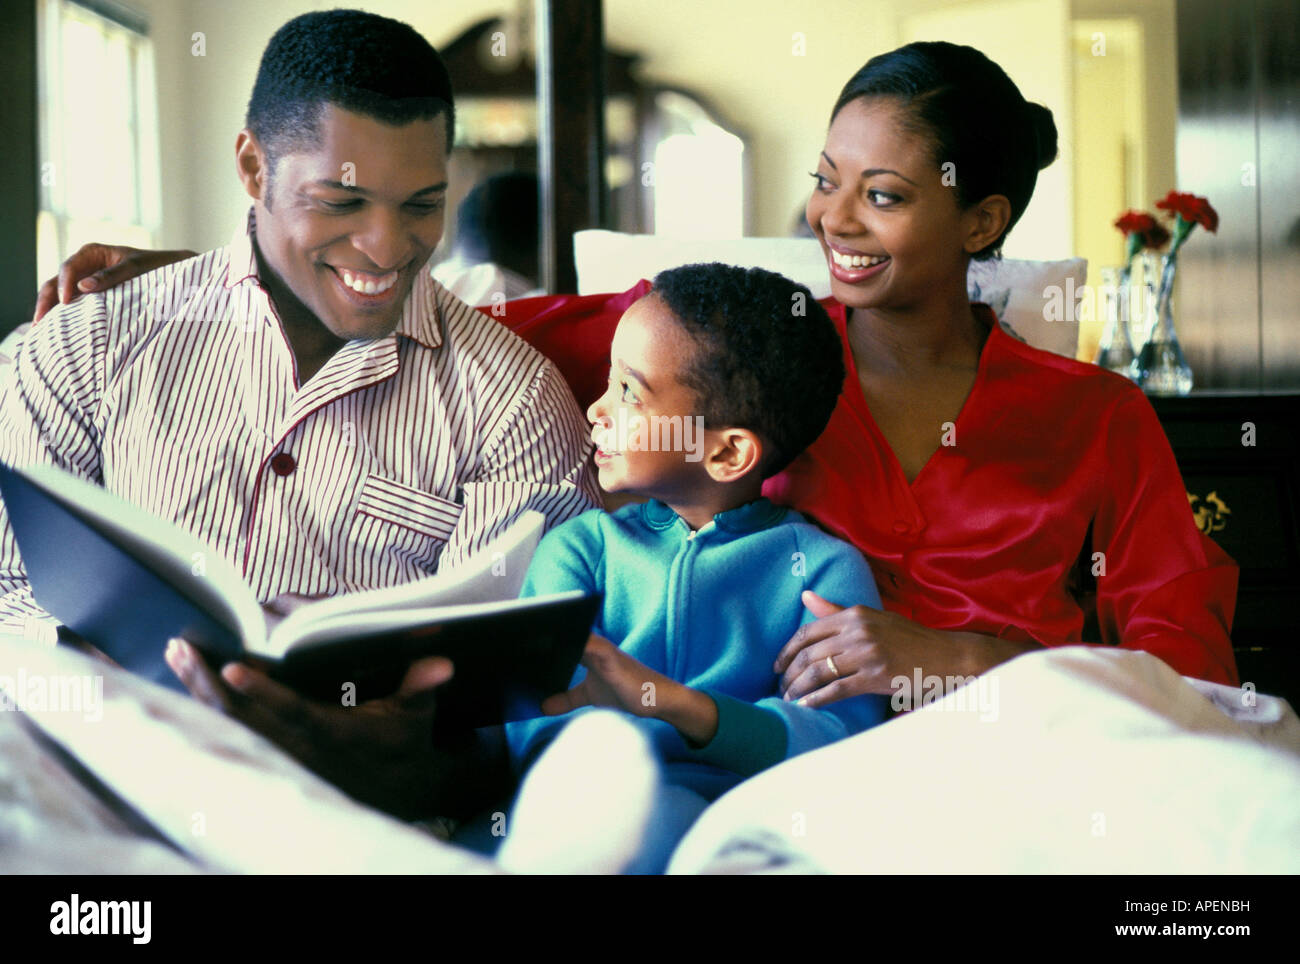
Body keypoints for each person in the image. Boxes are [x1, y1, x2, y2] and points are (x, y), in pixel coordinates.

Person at [32, 40, 1239, 822]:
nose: (834, 218)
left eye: (883, 194)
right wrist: (216, 267)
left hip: (1009, 769)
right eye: (826, 179)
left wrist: (966, 658)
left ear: (981, 220)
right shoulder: (738, 347)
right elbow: (441, 300)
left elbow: (1195, 677)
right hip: (765, 776)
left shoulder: (1094, 415)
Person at [3, 10, 598, 817]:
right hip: (90, 804)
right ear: (254, 167)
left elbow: (525, 720)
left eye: (423, 204)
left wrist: (387, 763)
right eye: (342, 201)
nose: (387, 248)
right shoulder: (79, 350)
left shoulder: (514, 405)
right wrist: (124, 694)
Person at [459, 262, 886, 873]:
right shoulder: (580, 549)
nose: (596, 410)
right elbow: (527, 727)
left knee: (674, 819)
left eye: (629, 393)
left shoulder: (821, 573)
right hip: (570, 811)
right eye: (609, 382)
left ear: (726, 451)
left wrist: (677, 705)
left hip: (738, 829)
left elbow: (843, 750)